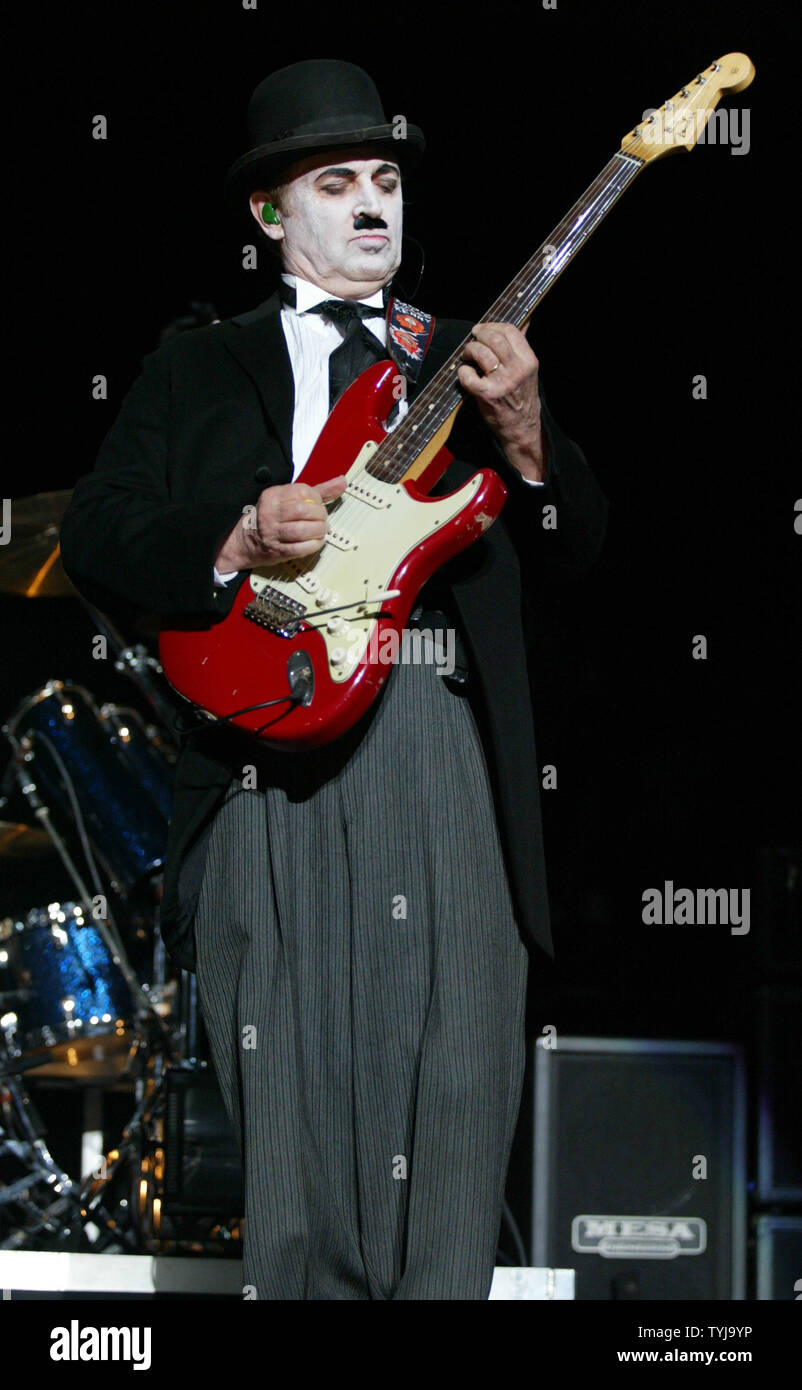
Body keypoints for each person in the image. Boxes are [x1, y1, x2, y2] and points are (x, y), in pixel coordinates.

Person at [60, 58, 608, 1300]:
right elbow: (97, 530)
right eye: (335, 180)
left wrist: (526, 442)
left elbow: (583, 550)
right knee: (299, 1156)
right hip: (266, 749)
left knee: (455, 1098)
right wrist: (237, 537)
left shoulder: (471, 357)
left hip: (437, 740)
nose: (372, 204)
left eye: (387, 180)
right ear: (271, 214)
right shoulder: (198, 366)